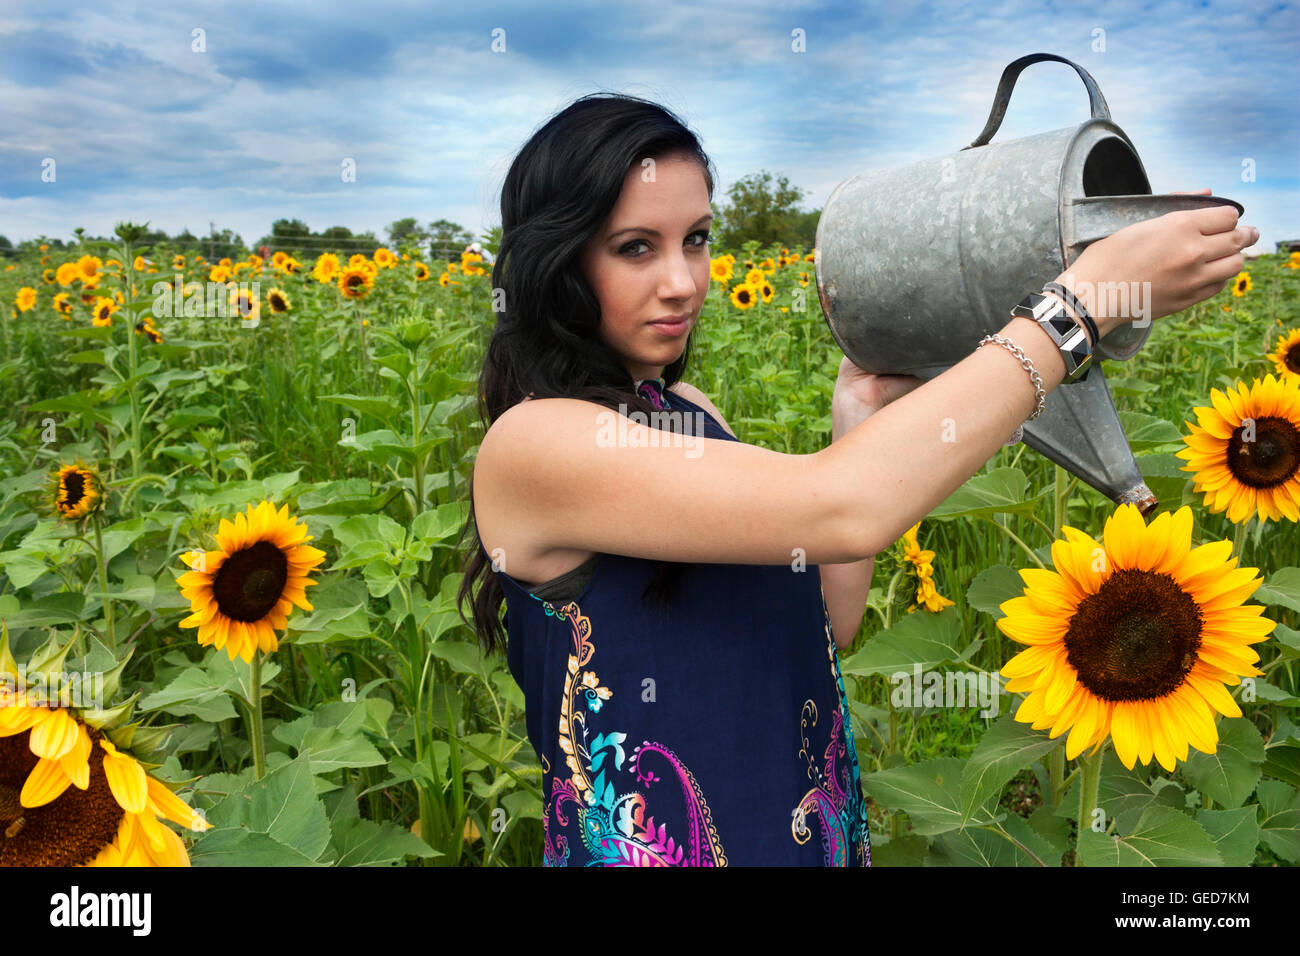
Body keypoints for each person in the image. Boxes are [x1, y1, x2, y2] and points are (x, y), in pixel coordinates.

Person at [457, 93, 1258, 867]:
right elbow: (843, 507)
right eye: (636, 247)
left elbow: (824, 619)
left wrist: (859, 418)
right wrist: (1077, 308)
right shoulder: (534, 444)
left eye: (696, 239)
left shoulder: (685, 409)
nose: (684, 281)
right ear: (557, 262)